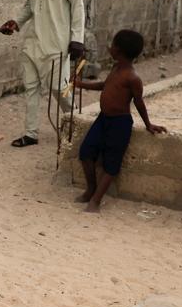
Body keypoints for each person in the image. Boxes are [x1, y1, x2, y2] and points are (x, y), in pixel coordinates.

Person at [0, 0, 86, 148]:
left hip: (57, 43)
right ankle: (31, 133)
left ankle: (78, 126)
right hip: (32, 42)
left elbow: (77, 5)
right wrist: (16, 23)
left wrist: (77, 39)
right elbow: (30, 5)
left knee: (60, 90)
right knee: (31, 88)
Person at [71, 30, 166, 212]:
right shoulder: (116, 69)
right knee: (86, 152)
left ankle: (96, 201)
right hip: (103, 119)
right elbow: (104, 86)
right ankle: (91, 189)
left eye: (113, 45)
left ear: (119, 50)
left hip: (120, 123)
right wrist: (81, 85)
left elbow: (139, 102)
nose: (110, 48)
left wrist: (148, 124)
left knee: (111, 164)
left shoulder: (132, 78)